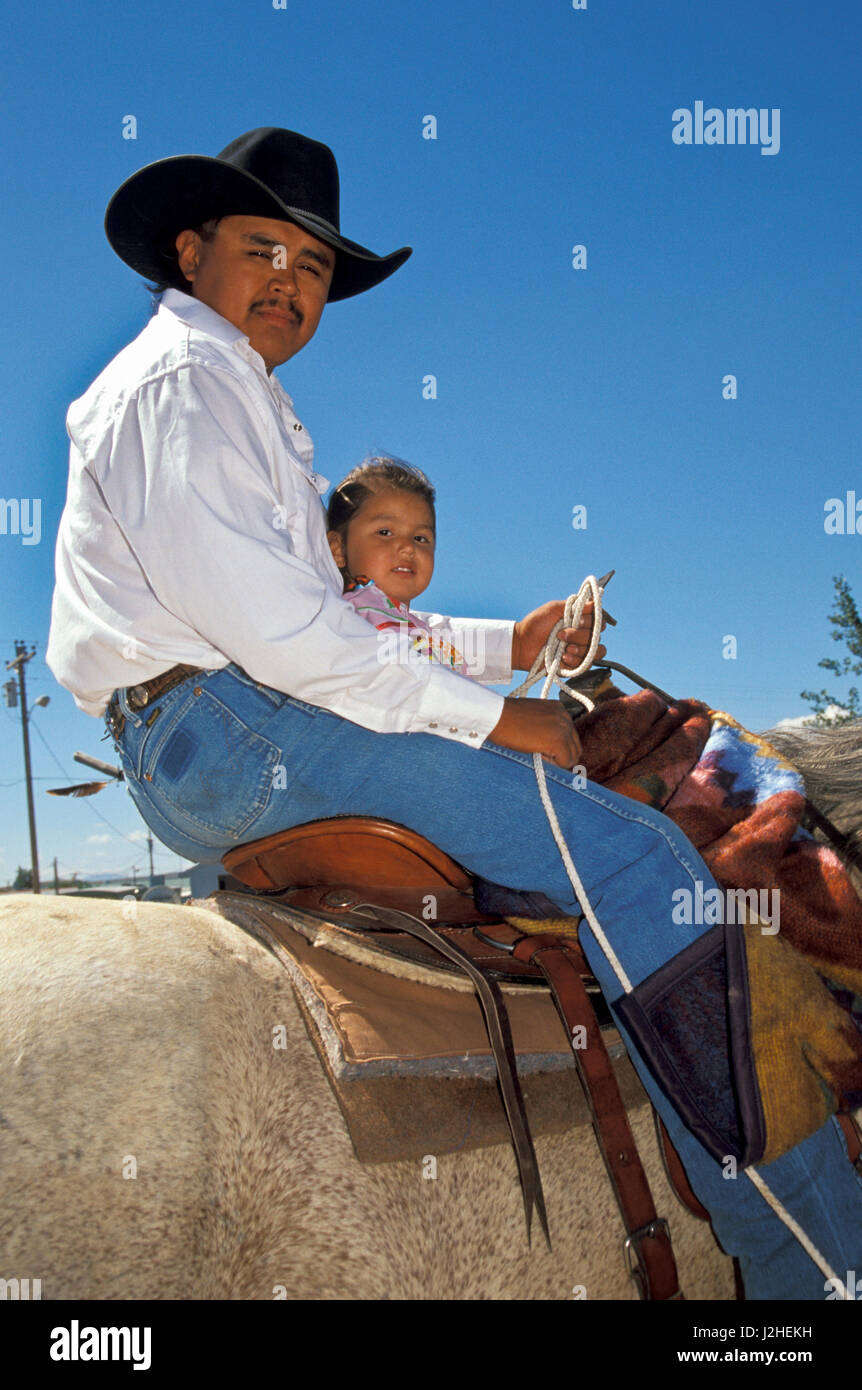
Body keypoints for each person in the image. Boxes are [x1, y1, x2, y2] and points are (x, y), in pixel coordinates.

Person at [46, 127, 862, 1300]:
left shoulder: (232, 394)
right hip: (235, 726)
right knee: (638, 861)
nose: (288, 280)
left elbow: (345, 614)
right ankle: (815, 1266)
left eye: (313, 266)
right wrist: (500, 721)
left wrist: (513, 647)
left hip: (222, 723)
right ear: (189, 252)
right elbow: (291, 639)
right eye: (260, 248)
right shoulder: (187, 385)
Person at [326, 456, 473, 675]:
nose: (408, 548)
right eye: (385, 533)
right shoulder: (352, 617)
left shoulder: (421, 632)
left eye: (420, 538)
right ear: (338, 549)